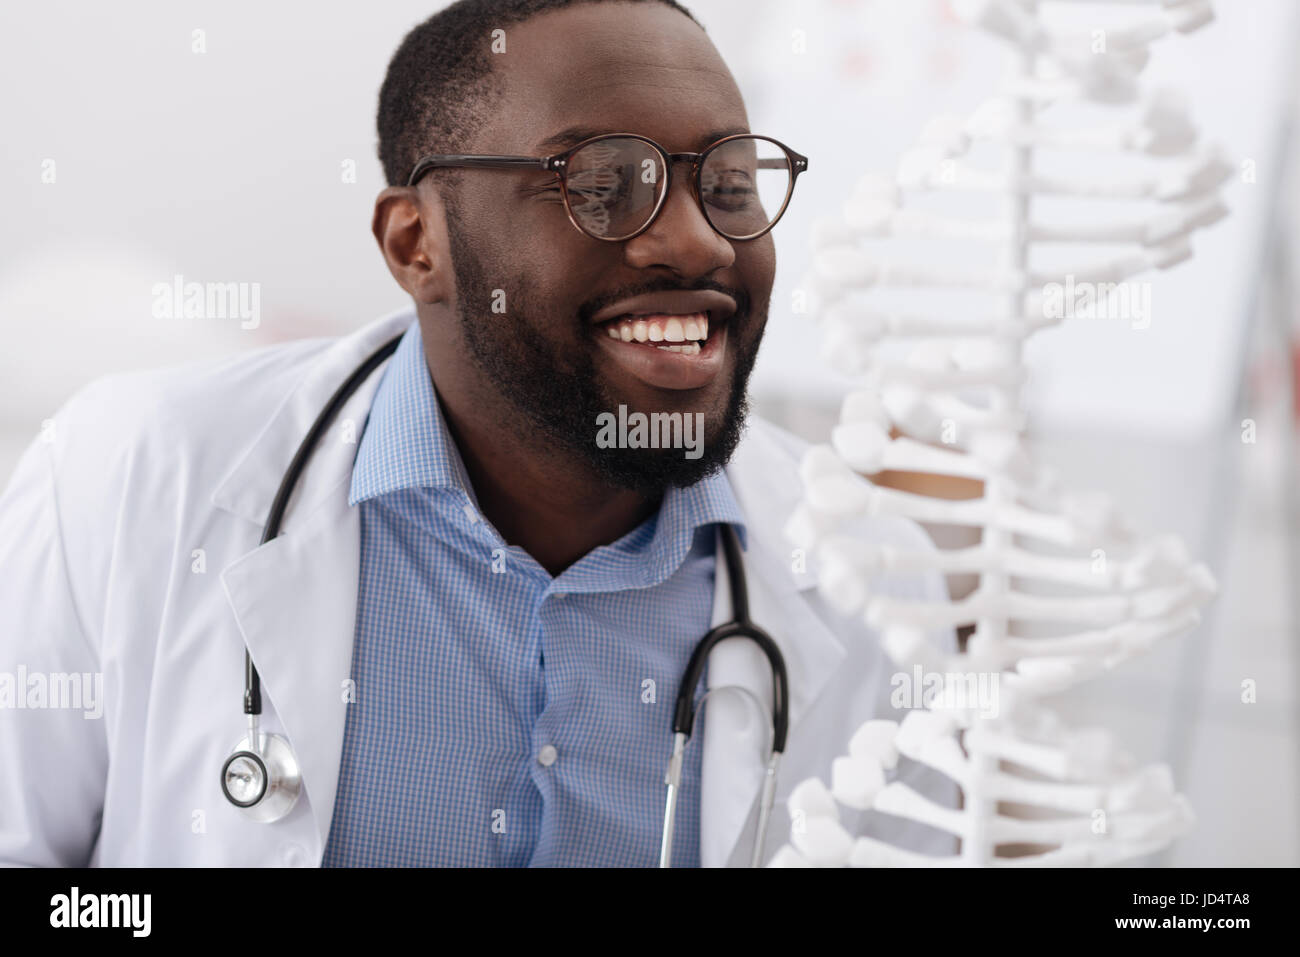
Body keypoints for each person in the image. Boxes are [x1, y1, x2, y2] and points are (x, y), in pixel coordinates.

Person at [0, 0, 956, 867]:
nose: (699, 241)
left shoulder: (874, 580)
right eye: (604, 184)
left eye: (732, 183)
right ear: (418, 244)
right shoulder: (128, 478)